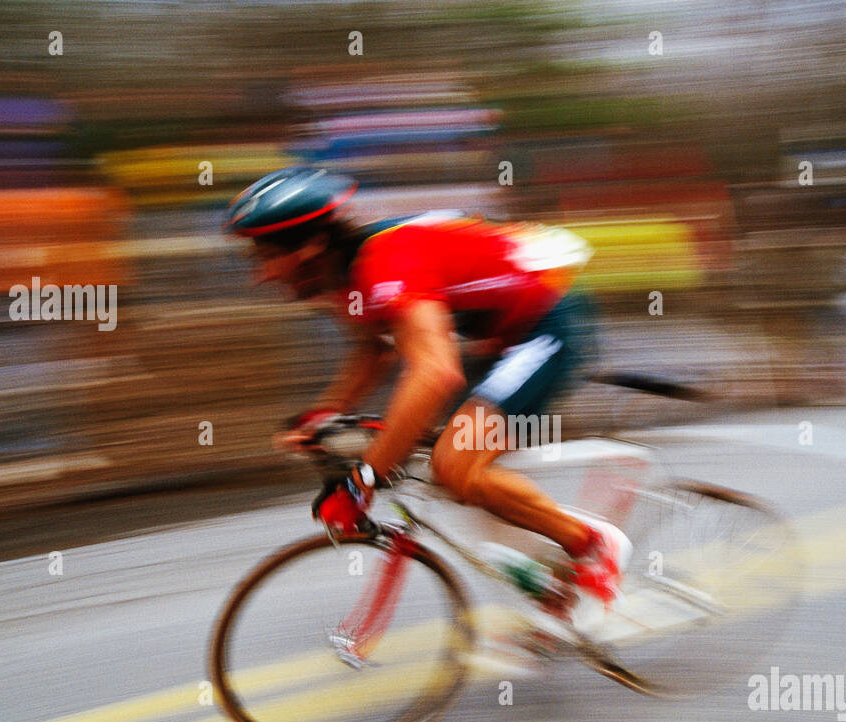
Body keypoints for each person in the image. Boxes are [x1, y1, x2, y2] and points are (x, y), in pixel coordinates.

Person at [226, 166, 631, 620]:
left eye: (265, 256)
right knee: (447, 465)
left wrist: (363, 482)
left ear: (311, 246)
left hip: (545, 324)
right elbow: (374, 350)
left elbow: (435, 372)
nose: (260, 275)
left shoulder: (386, 261)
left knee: (455, 463)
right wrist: (324, 415)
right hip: (495, 336)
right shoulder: (344, 278)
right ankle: (548, 583)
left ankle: (592, 546)